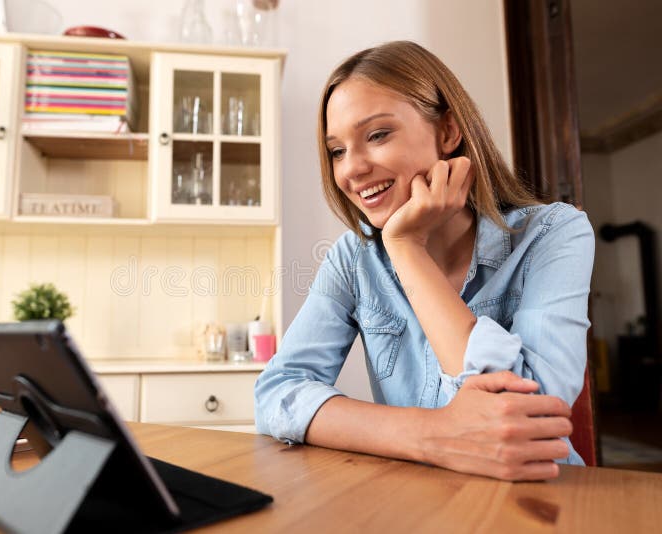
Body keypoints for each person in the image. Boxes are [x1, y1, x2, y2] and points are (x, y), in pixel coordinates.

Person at [254, 41, 594, 481]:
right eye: (337, 150)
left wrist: (407, 248)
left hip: (541, 500)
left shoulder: (554, 233)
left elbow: (526, 415)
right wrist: (435, 435)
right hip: (419, 501)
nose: (351, 170)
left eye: (377, 135)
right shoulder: (352, 258)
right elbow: (277, 395)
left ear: (448, 132)